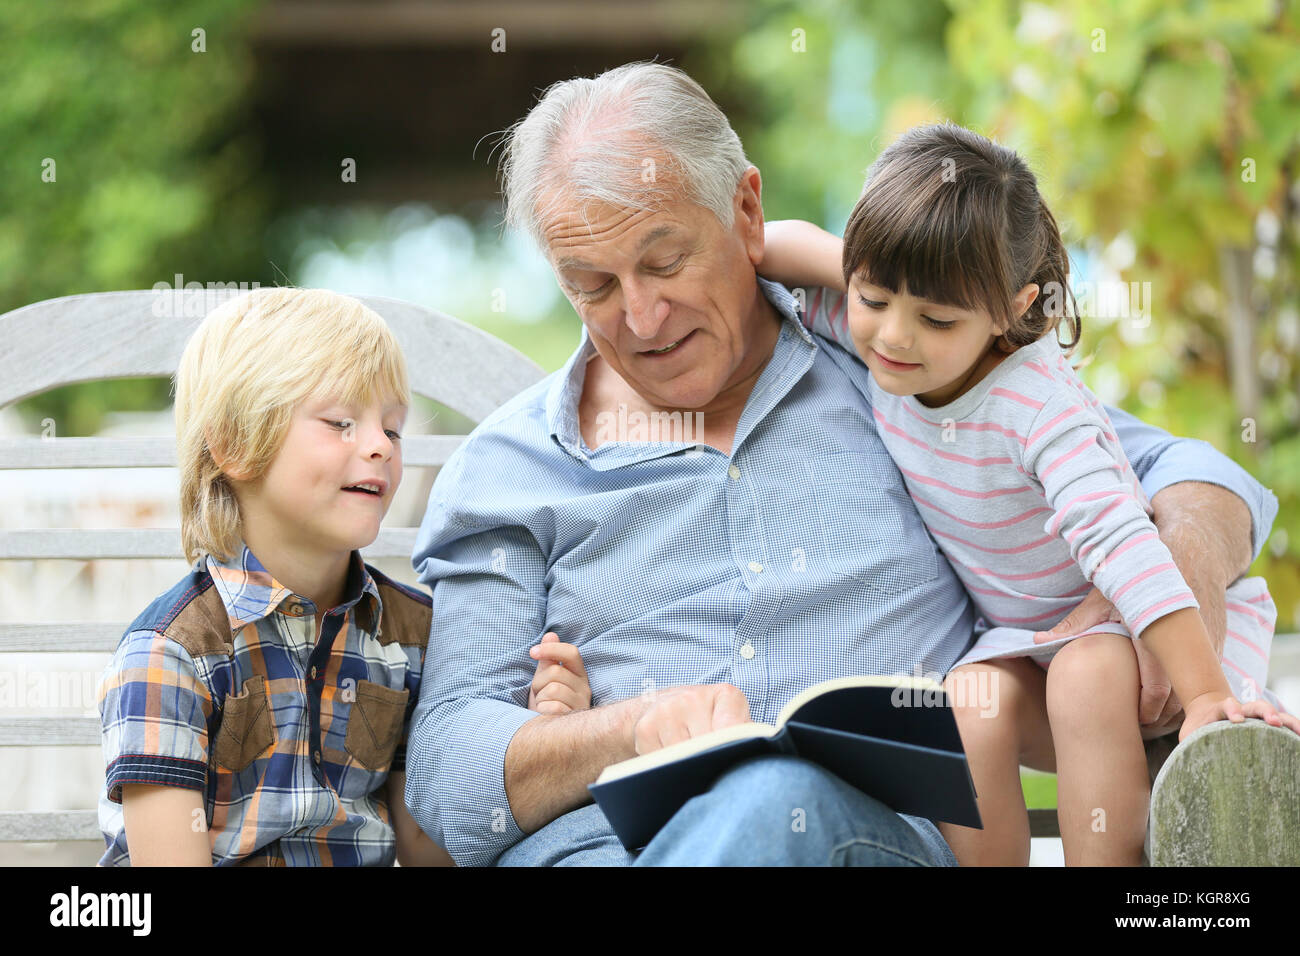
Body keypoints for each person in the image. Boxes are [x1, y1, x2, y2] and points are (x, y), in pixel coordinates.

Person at [404, 62, 1279, 867]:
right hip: (600, 849)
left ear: (747, 215)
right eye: (590, 285)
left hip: (865, 837)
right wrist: (631, 731)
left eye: (665, 261)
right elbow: (451, 779)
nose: (639, 316)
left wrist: (1171, 604)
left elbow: (1194, 476)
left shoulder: (901, 366)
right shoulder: (512, 468)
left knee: (774, 798)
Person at [758, 123, 1299, 866]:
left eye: (937, 320)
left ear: (1012, 309)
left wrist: (1204, 693)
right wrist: (840, 264)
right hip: (1024, 642)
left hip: (1140, 635)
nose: (895, 338)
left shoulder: (1039, 408)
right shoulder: (880, 335)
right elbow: (778, 250)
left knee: (1085, 676)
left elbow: (1120, 543)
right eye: (872, 297)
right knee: (968, 706)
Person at [95, 287, 585, 865]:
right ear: (233, 443)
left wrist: (546, 738)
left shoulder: (409, 636)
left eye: (394, 429)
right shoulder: (172, 655)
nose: (379, 446)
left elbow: (426, 850)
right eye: (340, 422)